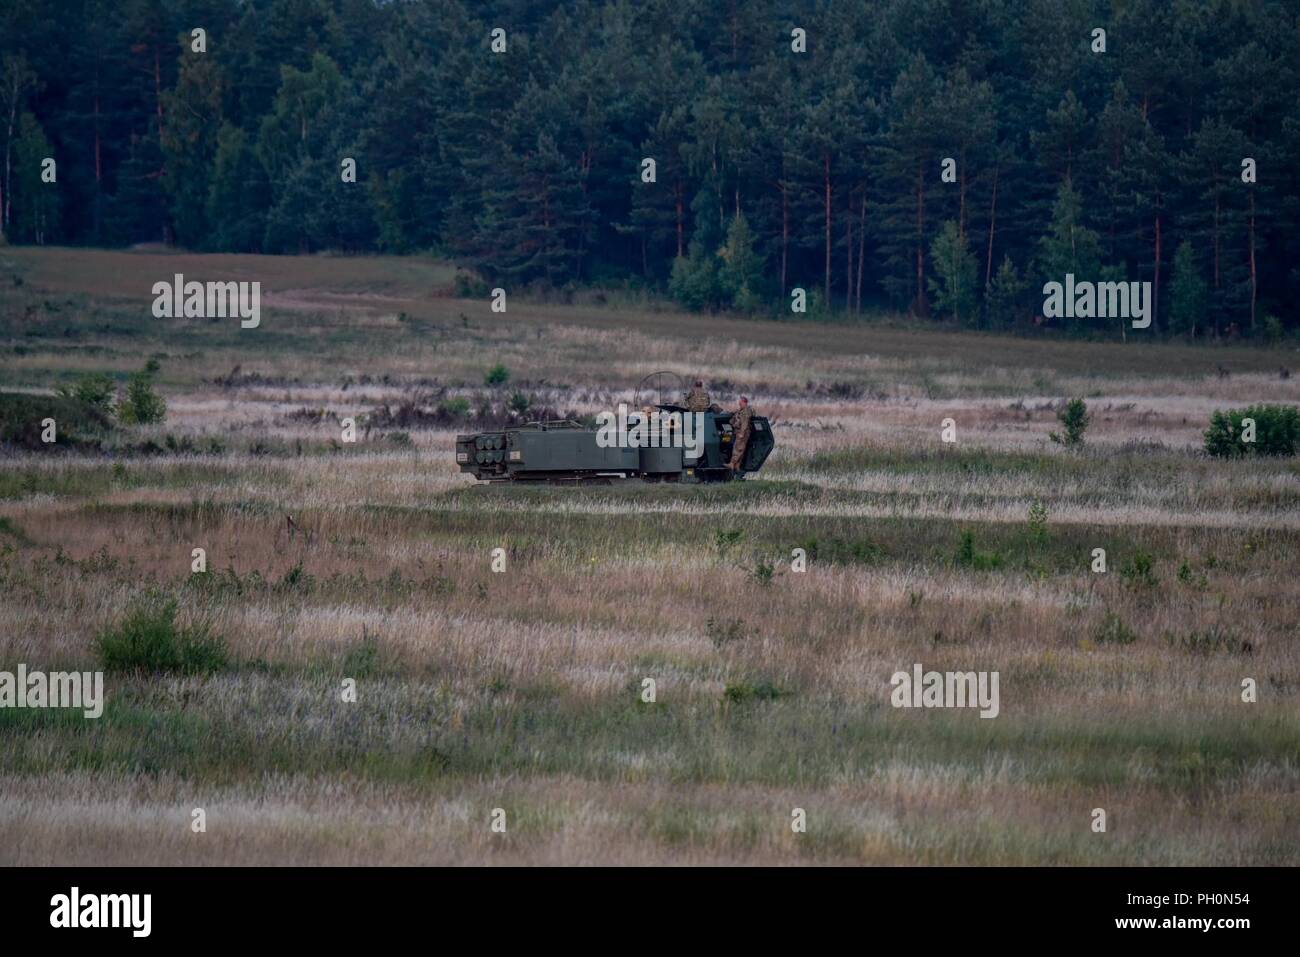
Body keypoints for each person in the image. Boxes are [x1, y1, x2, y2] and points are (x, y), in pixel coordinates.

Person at [728, 396, 754, 472]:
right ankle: (737, 465)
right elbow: (732, 421)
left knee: (737, 448)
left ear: (745, 403)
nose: (739, 404)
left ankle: (732, 463)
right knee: (741, 449)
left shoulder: (745, 412)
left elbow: (744, 424)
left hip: (742, 433)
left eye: (741, 403)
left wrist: (742, 433)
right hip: (739, 432)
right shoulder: (740, 411)